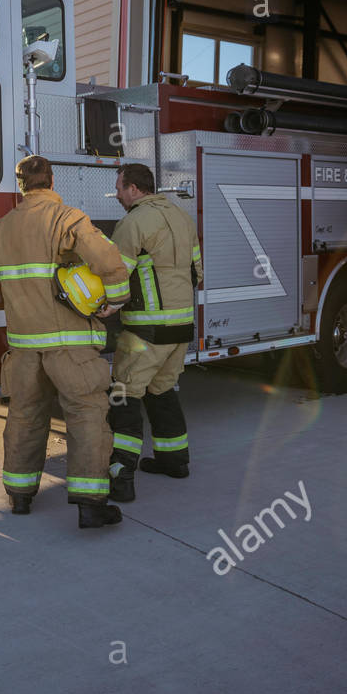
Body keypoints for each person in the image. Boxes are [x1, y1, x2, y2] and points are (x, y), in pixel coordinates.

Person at [0, 155, 134, 529]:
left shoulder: (0, 229)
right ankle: (90, 504)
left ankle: (19, 496)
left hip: (23, 347)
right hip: (68, 345)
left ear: (20, 185)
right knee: (86, 415)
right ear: (51, 180)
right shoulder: (67, 218)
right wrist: (115, 300)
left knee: (25, 416)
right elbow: (108, 259)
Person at [106, 163, 203, 503]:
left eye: (119, 188)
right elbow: (197, 270)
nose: (117, 195)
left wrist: (104, 305)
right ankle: (175, 460)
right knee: (162, 389)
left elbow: (116, 276)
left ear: (134, 188)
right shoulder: (181, 216)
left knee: (123, 391)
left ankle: (121, 475)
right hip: (182, 325)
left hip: (146, 328)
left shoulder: (133, 223)